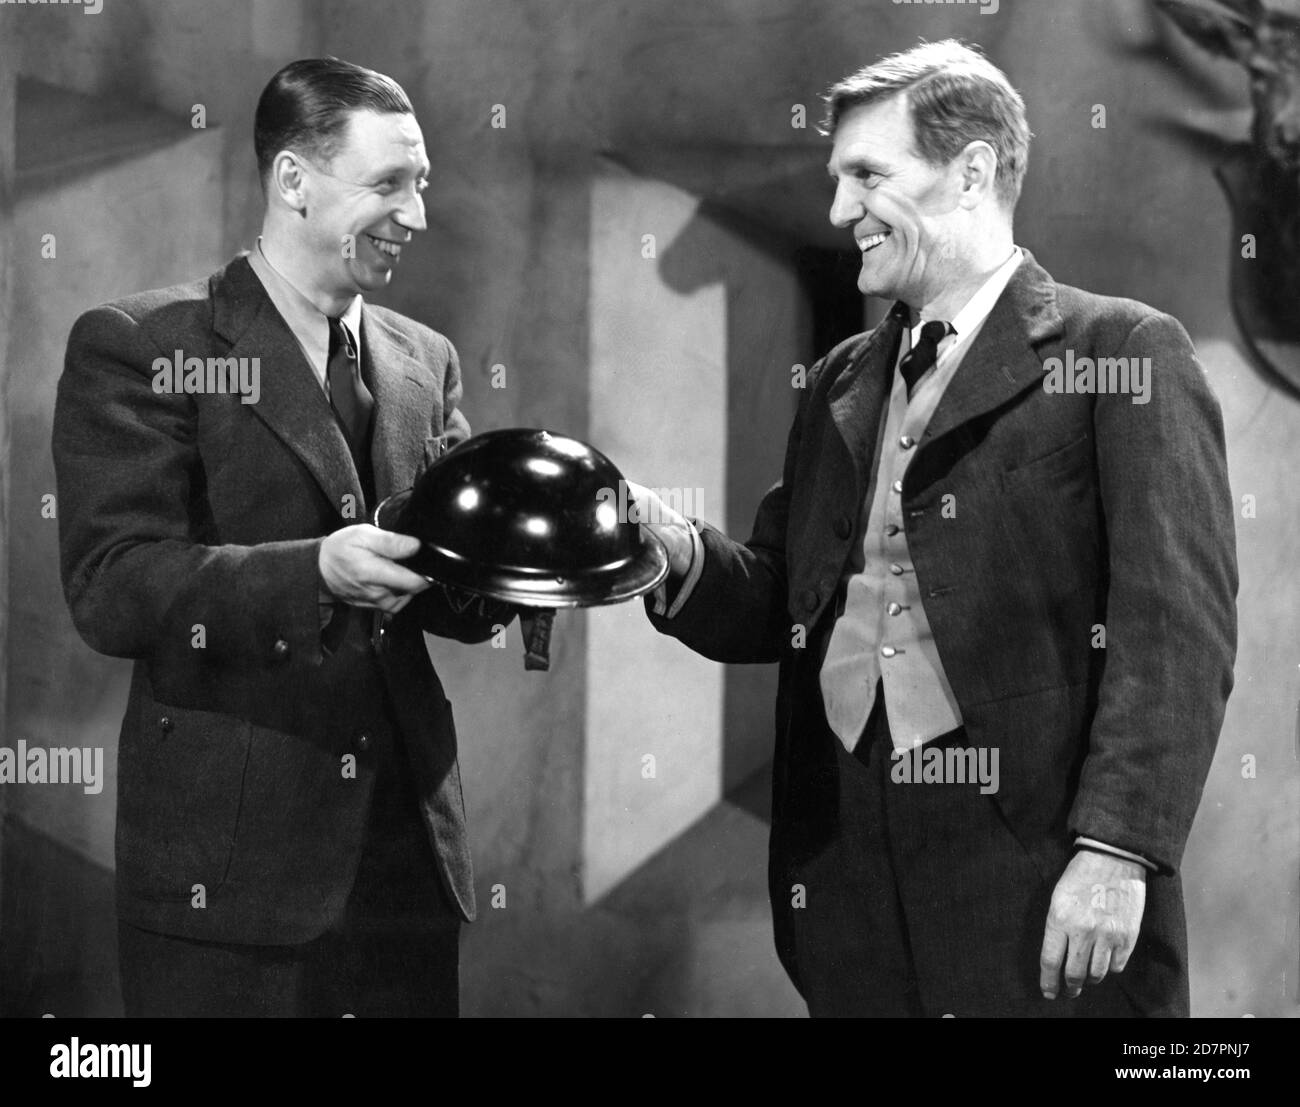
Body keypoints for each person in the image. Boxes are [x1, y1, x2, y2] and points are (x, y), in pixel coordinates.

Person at [636, 39, 1237, 1017]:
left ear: (971, 172)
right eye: (835, 181)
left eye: (867, 175)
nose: (838, 212)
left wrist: (1115, 853)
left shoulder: (1120, 350)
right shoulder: (841, 378)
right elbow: (781, 597)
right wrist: (665, 551)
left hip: (1031, 861)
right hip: (843, 865)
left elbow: (1174, 632)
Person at [52, 57, 511, 1017]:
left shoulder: (425, 362)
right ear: (293, 182)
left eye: (420, 185)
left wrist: (535, 559)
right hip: (230, 888)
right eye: (387, 184)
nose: (415, 216)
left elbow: (465, 604)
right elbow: (113, 584)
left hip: (407, 878)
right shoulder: (144, 344)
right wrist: (317, 575)